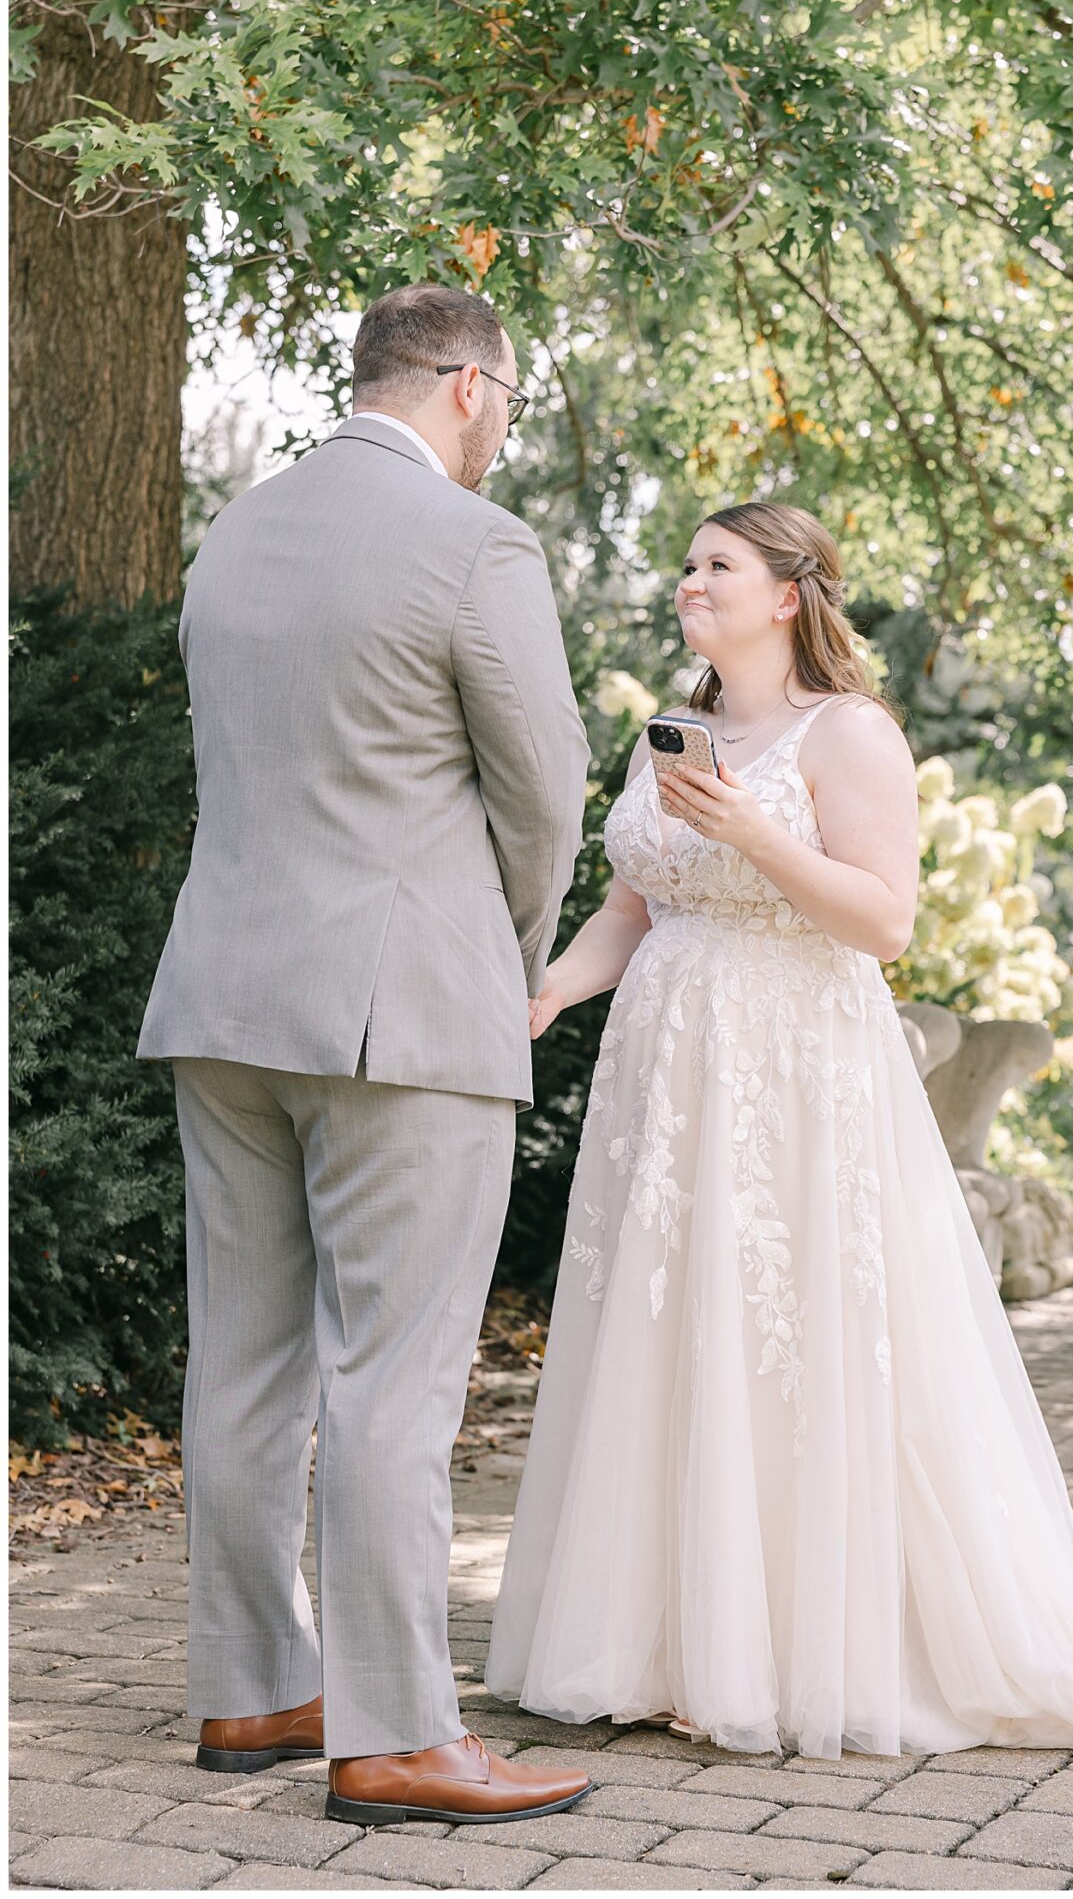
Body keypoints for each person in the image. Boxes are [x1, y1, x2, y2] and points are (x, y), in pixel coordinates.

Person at [485, 499, 1073, 1761]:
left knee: (783, 1335)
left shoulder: (850, 733)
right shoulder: (672, 733)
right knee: (673, 1328)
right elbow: (636, 903)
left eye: (717, 565)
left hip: (792, 1069)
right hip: (669, 1082)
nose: (691, 580)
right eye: (686, 564)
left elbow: (883, 921)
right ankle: (665, 1637)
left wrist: (755, 831)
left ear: (789, 592)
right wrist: (557, 987)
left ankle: (788, 1642)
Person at [138, 282, 594, 1826]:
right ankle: (398, 1735)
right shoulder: (476, 546)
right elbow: (543, 794)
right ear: (468, 386)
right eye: (511, 406)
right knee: (395, 1383)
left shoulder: (236, 531)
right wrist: (506, 957)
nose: (504, 432)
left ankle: (255, 1687)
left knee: (246, 1361)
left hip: (221, 1000)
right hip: (405, 1015)